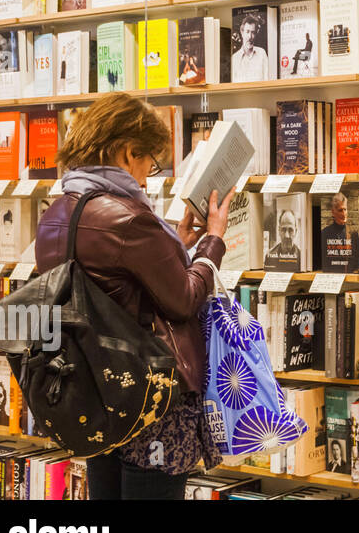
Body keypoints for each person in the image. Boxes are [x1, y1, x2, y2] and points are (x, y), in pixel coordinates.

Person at [34, 92, 234, 500]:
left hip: (95, 394)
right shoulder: (129, 219)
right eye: (149, 162)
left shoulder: (55, 214)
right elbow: (183, 299)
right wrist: (212, 241)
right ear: (128, 153)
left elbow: (112, 285)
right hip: (151, 400)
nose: (146, 177)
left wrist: (172, 244)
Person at [319, 192, 359, 273]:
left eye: (345, 209)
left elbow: (357, 264)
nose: (344, 214)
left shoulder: (353, 234)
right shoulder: (324, 234)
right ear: (333, 212)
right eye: (340, 210)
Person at [231, 14, 270, 82]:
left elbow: (267, 80)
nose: (250, 36)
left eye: (253, 32)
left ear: (256, 34)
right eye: (247, 32)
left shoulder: (262, 54)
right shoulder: (234, 58)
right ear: (242, 32)